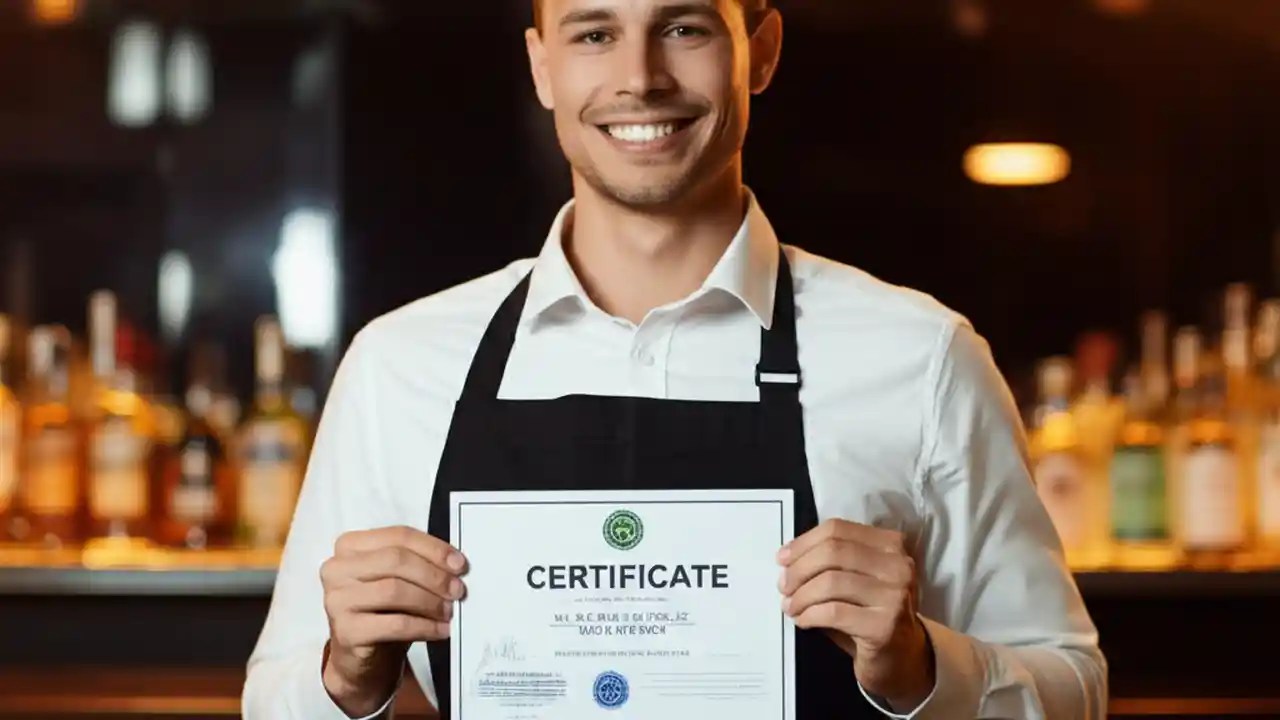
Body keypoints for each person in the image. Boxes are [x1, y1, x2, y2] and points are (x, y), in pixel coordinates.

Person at [242, 0, 1107, 717]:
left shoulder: (922, 357)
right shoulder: (401, 366)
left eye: (685, 27)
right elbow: (272, 698)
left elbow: (1077, 688)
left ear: (759, 52)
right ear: (543, 67)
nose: (640, 77)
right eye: (593, 33)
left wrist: (923, 667)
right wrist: (347, 676)